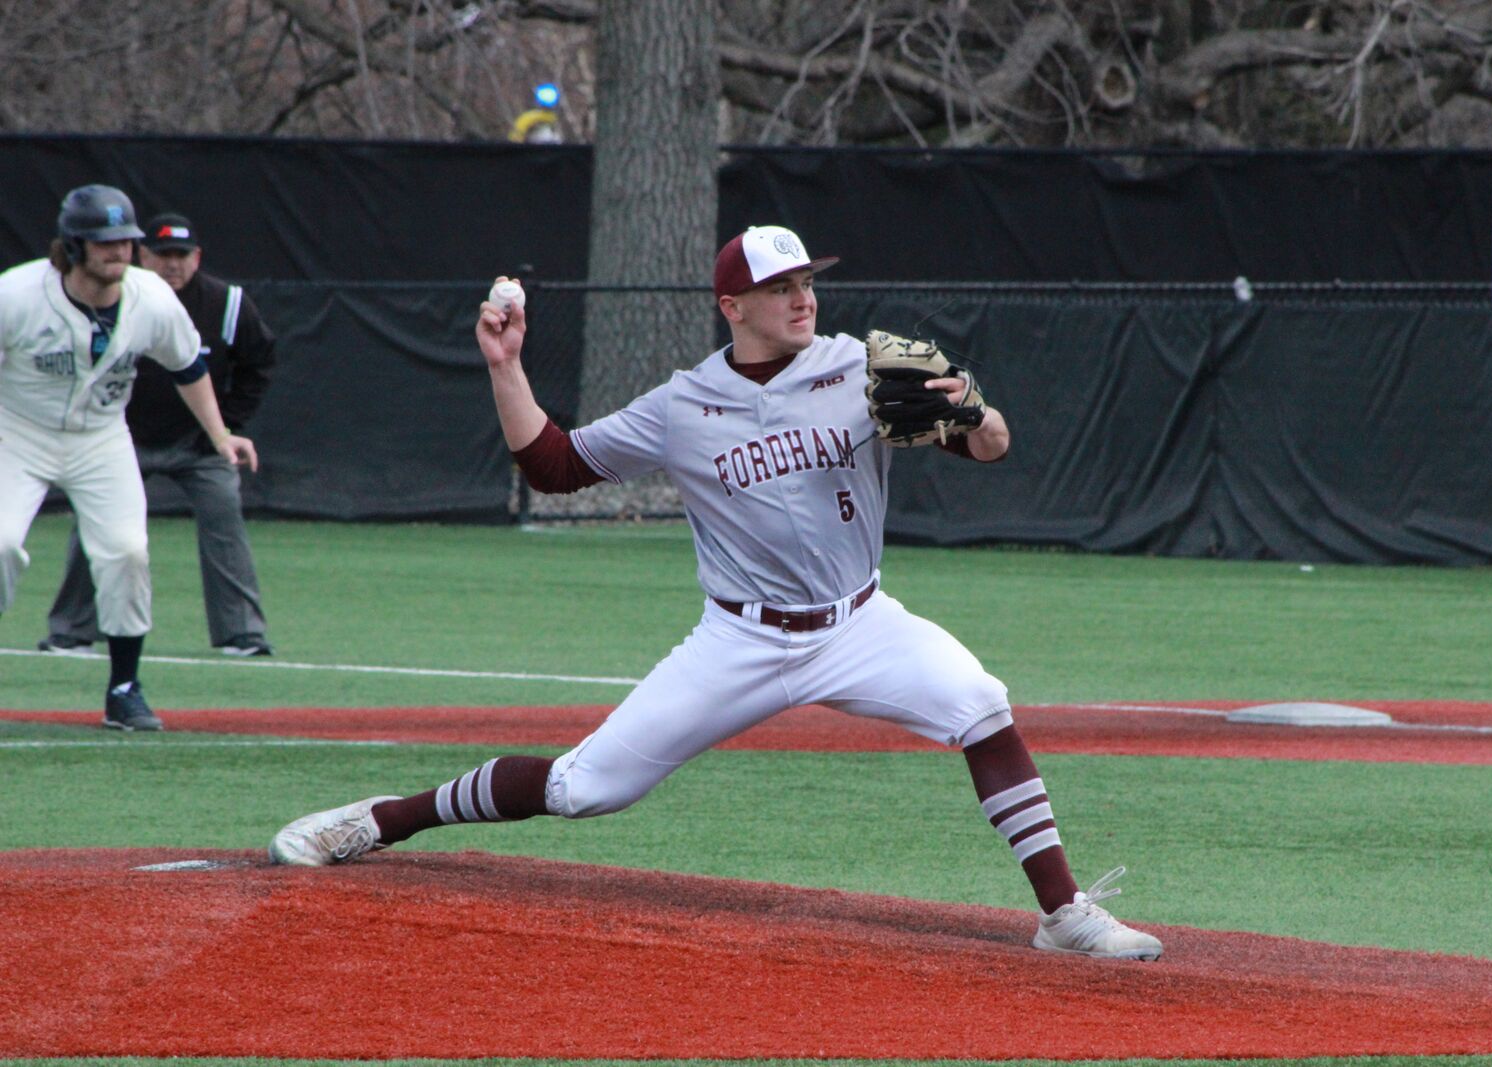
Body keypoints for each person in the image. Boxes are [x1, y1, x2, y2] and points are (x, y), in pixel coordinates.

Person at [268, 225, 1162, 960]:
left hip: (860, 621)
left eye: (808, 279)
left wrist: (970, 403)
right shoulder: (683, 404)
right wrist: (507, 366)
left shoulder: (861, 366)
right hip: (739, 639)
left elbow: (993, 447)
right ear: (732, 306)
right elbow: (553, 464)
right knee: (586, 788)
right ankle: (379, 819)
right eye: (782, 287)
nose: (803, 297)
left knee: (979, 701)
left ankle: (1063, 914)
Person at [0, 184, 258, 730]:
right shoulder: (17, 295)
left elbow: (188, 367)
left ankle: (123, 688)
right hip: (17, 433)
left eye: (125, 240)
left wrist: (220, 435)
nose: (118, 250)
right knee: (1, 543)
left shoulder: (150, 298)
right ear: (73, 246)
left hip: (100, 437)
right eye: (104, 241)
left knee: (126, 552)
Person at [37, 212, 276, 657]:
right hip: (121, 439)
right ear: (142, 255)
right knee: (99, 527)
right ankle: (70, 631)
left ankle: (243, 634)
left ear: (197, 257)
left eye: (182, 255)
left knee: (225, 521)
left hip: (200, 445)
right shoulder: (109, 297)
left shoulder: (227, 304)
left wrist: (226, 427)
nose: (173, 265)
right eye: (163, 255)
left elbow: (259, 362)